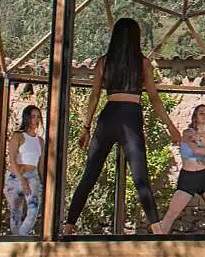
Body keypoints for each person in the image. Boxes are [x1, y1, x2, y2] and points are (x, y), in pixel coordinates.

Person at [64, 18, 181, 235]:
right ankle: (156, 228)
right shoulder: (143, 63)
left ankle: (69, 224)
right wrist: (171, 127)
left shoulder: (103, 62)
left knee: (90, 174)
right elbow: (154, 98)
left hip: (108, 115)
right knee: (140, 176)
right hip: (130, 116)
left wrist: (86, 127)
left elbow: (94, 96)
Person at [151, 103, 205, 235]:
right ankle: (158, 240)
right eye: (201, 113)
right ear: (195, 117)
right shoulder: (187, 133)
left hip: (204, 177)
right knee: (172, 214)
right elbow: (196, 150)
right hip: (189, 178)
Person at [2, 105, 44, 236]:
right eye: (33, 116)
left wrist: (42, 182)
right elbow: (12, 159)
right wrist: (22, 180)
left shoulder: (40, 141)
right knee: (15, 212)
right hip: (15, 176)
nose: (36, 120)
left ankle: (21, 237)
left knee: (33, 209)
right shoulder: (18, 136)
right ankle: (16, 240)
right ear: (27, 118)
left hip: (33, 175)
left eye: (38, 117)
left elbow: (40, 164)